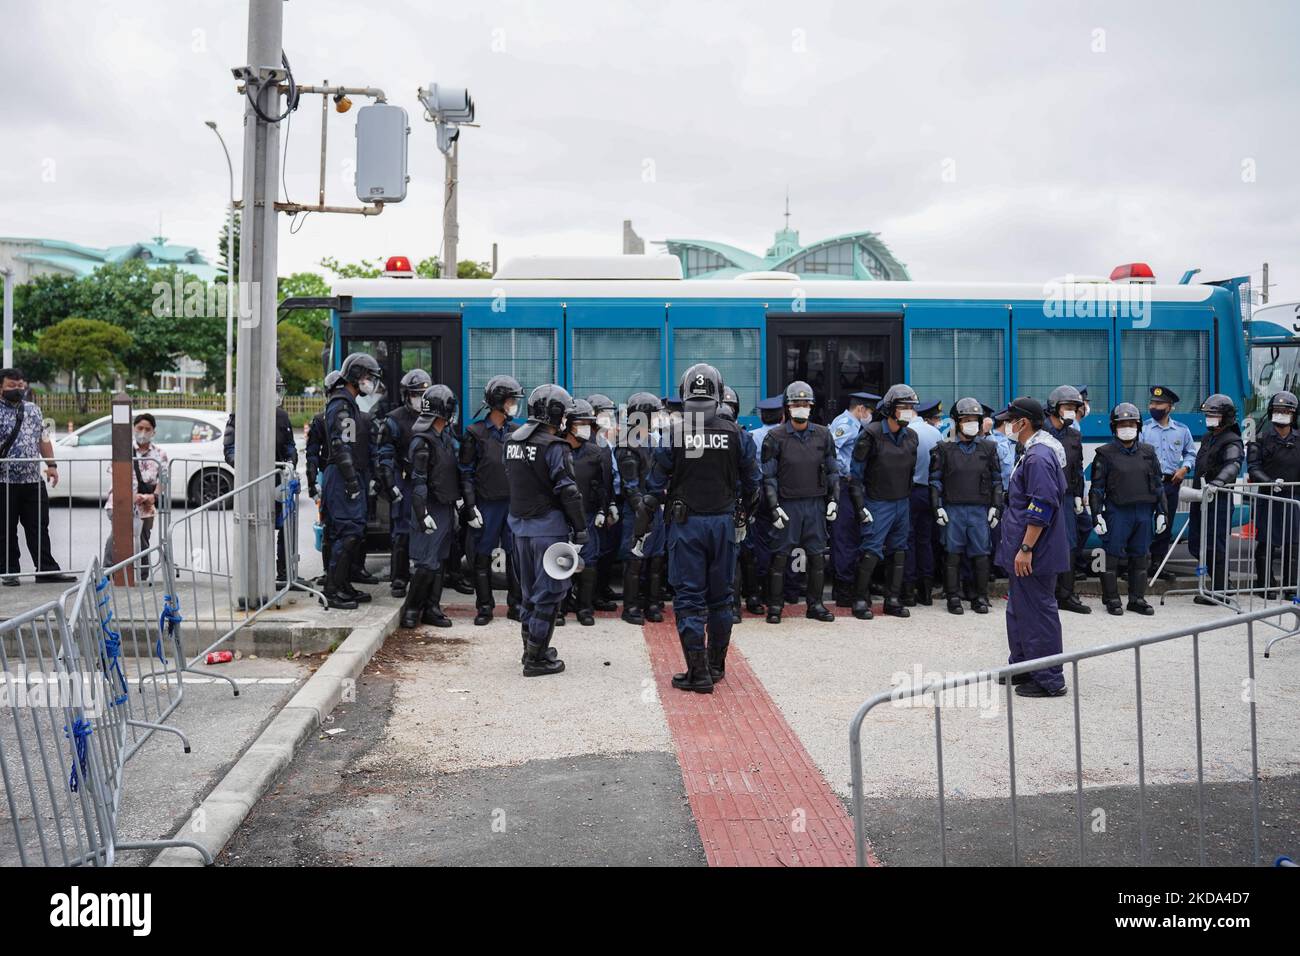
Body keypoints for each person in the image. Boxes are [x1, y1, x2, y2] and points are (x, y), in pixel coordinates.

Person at [645, 364, 761, 693]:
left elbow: (654, 485)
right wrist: (743, 515)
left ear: (684, 392)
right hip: (724, 523)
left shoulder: (676, 431)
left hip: (687, 524)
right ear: (719, 391)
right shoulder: (737, 432)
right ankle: (716, 666)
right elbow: (754, 483)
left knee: (689, 599)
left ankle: (697, 674)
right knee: (722, 599)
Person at [505, 384, 588, 676]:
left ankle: (532, 647)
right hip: (548, 531)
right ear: (555, 414)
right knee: (550, 593)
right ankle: (536, 659)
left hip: (520, 529)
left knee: (529, 593)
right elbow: (569, 492)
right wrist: (580, 530)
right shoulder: (555, 447)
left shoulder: (511, 441)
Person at [995, 397, 1069, 698]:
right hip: (1023, 547)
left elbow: (1042, 505)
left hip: (1034, 551)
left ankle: (1049, 679)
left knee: (1038, 611)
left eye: (1010, 420)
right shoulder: (1031, 452)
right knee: (1019, 609)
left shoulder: (1038, 457)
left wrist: (1026, 548)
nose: (1006, 426)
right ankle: (1023, 665)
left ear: (1022, 423)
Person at [760, 380, 840, 623]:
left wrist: (833, 499)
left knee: (817, 557)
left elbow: (832, 470)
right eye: (796, 404)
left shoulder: (823, 434)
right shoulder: (775, 437)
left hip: (815, 504)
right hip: (788, 504)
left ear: (811, 407)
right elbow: (769, 476)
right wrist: (773, 506)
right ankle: (775, 606)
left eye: (805, 404)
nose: (801, 408)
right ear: (787, 407)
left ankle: (815, 605)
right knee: (780, 557)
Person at [849, 384, 920, 619]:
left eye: (912, 407)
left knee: (899, 552)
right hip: (877, 502)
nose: (909, 412)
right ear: (890, 408)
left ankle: (892, 599)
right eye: (903, 407)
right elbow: (855, 475)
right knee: (870, 551)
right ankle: (860, 599)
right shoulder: (870, 434)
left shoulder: (912, 437)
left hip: (902, 502)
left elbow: (910, 471)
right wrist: (860, 507)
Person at [223, 369, 300, 586]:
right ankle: (256, 576)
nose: (277, 394)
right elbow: (230, 450)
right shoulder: (240, 415)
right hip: (253, 484)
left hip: (279, 483)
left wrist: (290, 463)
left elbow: (290, 446)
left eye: (279, 389)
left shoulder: (282, 416)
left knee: (287, 527)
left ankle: (286, 574)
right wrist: (248, 467)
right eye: (274, 389)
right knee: (256, 529)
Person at [1089, 403, 1167, 616]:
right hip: (1117, 512)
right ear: (1114, 427)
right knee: (1111, 557)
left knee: (1141, 557)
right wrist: (1097, 515)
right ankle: (1112, 599)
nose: (1127, 427)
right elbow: (1096, 488)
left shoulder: (1148, 453)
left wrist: (1162, 512)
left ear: (1138, 426)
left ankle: (1137, 599)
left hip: (1143, 511)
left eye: (1131, 423)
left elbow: (1157, 485)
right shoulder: (1104, 454)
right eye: (1122, 424)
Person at [460, 375, 525, 626]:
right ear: (498, 402)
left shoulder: (517, 432)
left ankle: (516, 605)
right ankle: (484, 607)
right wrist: (469, 506)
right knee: (481, 555)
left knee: (515, 555)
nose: (514, 405)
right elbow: (465, 472)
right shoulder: (474, 433)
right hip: (486, 504)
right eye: (511, 400)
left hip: (513, 504)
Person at [321, 353, 383, 609]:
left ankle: (344, 584)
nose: (371, 382)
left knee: (352, 533)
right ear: (357, 377)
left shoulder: (350, 403)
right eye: (368, 377)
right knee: (347, 533)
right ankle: (333, 591)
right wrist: (351, 481)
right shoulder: (342, 405)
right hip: (342, 477)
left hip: (348, 476)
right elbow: (340, 445)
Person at [931, 397, 1003, 614]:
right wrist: (938, 506)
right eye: (966, 419)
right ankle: (953, 596)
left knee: (981, 554)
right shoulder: (944, 448)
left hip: (979, 509)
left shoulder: (989, 448)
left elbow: (997, 480)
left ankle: (980, 597)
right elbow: (935, 480)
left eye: (975, 419)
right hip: (953, 509)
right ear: (956, 422)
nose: (971, 423)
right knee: (952, 554)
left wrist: (996, 506)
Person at [0, 368, 72, 585]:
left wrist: (51, 465)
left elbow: (43, 439)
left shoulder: (33, 410)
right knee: (6, 528)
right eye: (12, 386)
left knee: (39, 526)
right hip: (4, 482)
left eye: (20, 385)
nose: (18, 389)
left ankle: (46, 569)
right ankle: (9, 571)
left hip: (32, 480)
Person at [400, 385, 460, 629]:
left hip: (445, 506)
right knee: (426, 563)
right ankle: (412, 610)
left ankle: (432, 608)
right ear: (443, 412)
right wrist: (422, 512)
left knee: (439, 560)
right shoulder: (422, 442)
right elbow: (419, 481)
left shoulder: (444, 437)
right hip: (429, 507)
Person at [375, 369, 433, 598]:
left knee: (430, 530)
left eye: (424, 395)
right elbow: (385, 454)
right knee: (401, 531)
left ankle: (429, 575)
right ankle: (399, 579)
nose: (420, 399)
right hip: (405, 478)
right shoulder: (394, 420)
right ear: (406, 395)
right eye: (416, 394)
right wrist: (389, 482)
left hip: (429, 481)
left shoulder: (435, 417)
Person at [1188, 394, 1244, 605]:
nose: (1209, 418)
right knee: (1197, 543)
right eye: (1208, 415)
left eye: (1214, 415)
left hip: (1217, 499)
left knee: (1215, 544)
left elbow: (1233, 465)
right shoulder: (1208, 437)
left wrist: (1218, 483)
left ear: (1226, 417)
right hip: (1201, 498)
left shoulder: (1232, 439)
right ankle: (1221, 583)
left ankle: (1219, 590)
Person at [562, 399, 612, 626]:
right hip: (561, 517)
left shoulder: (596, 452)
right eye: (582, 423)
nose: (586, 428)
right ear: (570, 424)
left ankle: (585, 608)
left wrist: (603, 509)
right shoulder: (556, 448)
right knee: (561, 562)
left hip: (589, 516)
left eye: (588, 424)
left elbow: (603, 485)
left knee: (589, 562)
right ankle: (560, 608)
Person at [618, 392, 666, 624]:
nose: (659, 418)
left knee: (656, 560)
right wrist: (642, 513)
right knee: (635, 561)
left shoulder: (654, 441)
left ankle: (653, 604)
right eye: (655, 414)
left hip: (657, 510)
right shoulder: (629, 445)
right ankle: (631, 607)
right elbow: (630, 487)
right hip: (637, 512)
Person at [102, 413, 169, 579]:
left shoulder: (160, 454)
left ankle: (143, 575)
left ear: (154, 432)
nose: (143, 432)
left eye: (148, 429)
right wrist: (131, 496)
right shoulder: (122, 450)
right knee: (118, 535)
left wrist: (153, 496)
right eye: (140, 428)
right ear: (133, 429)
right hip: (120, 501)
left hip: (146, 505)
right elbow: (116, 476)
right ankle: (107, 572)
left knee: (144, 539)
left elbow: (164, 478)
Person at [1247, 391, 1300, 598]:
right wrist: (1269, 482)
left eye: (1286, 411)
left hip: (1294, 498)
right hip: (1268, 498)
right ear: (1271, 413)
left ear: (1293, 414)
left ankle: (1290, 587)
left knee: (1292, 544)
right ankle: (1264, 585)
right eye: (1278, 411)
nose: (1282, 414)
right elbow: (1253, 466)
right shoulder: (1260, 438)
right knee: (1266, 542)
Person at [1043, 385, 1090, 614]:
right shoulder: (1040, 433)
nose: (1071, 411)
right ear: (1055, 407)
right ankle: (1045, 594)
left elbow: (1078, 467)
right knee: (1044, 543)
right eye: (1067, 407)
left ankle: (1066, 594)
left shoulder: (1074, 435)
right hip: (1043, 496)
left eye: (1074, 407)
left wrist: (1079, 495)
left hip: (1067, 497)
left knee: (1069, 545)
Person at [1141, 385, 1195, 580]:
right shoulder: (1144, 428)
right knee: (1144, 522)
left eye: (1158, 403)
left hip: (1170, 484)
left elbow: (1190, 453)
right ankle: (1139, 563)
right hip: (1147, 485)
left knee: (1165, 524)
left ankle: (1157, 564)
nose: (1154, 406)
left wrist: (1185, 468)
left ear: (1170, 407)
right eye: (1152, 403)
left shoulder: (1182, 430)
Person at [829, 392, 877, 605]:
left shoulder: (855, 425)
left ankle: (851, 582)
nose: (870, 417)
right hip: (845, 486)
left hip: (854, 487)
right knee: (845, 536)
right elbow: (833, 450)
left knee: (854, 535)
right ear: (860, 409)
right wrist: (847, 471)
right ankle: (843, 588)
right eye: (869, 412)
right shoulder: (846, 424)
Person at [740, 395, 786, 614]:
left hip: (757, 491)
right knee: (780, 540)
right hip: (781, 493)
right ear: (783, 415)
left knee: (756, 542)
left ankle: (756, 591)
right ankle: (776, 590)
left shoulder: (752, 436)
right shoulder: (785, 435)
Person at [717, 385, 758, 622]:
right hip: (712, 505)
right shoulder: (696, 435)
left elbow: (753, 479)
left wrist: (745, 511)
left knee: (734, 559)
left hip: (733, 505)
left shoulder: (744, 437)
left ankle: (732, 606)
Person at [904, 399, 945, 606]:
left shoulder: (908, 431)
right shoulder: (935, 433)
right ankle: (926, 591)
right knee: (926, 541)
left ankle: (909, 591)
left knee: (908, 540)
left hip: (910, 491)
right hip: (930, 491)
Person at [306, 370, 342, 582]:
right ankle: (331, 574)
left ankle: (335, 573)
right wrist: (312, 485)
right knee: (331, 527)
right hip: (331, 476)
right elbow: (312, 456)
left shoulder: (323, 418)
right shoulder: (322, 420)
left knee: (335, 527)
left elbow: (311, 456)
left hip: (330, 476)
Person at [587, 393, 622, 611]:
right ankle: (592, 596)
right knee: (594, 552)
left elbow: (612, 476)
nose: (610, 419)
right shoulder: (588, 444)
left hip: (609, 502)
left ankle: (602, 587)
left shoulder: (605, 443)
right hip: (594, 506)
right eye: (605, 414)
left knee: (609, 550)